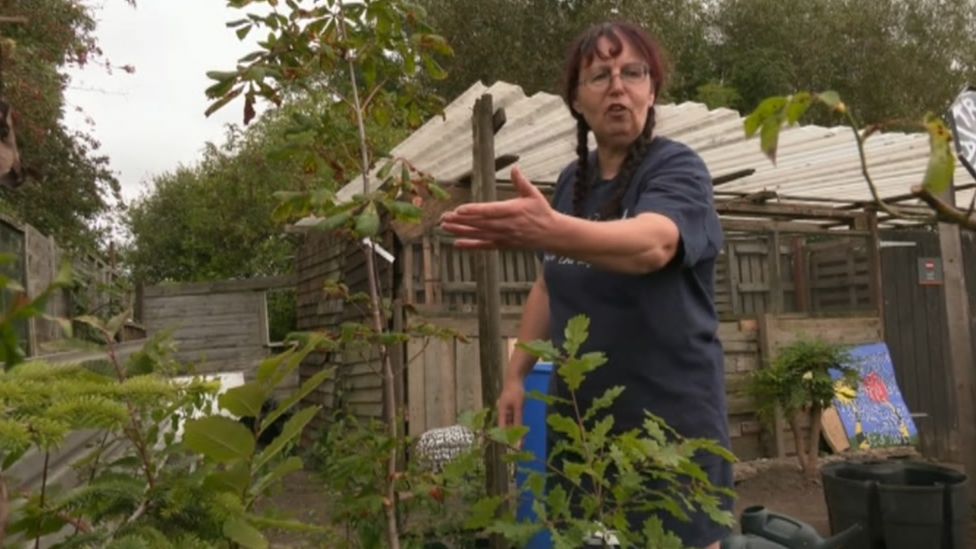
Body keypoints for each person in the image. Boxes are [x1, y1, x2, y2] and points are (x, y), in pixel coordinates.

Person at [440, 21, 731, 549]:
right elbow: (551, 285)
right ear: (577, 99)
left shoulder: (678, 168)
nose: (617, 86)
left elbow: (654, 245)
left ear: (652, 89)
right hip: (584, 426)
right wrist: (515, 375)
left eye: (632, 72)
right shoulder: (575, 184)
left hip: (670, 426)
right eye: (599, 75)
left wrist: (553, 228)